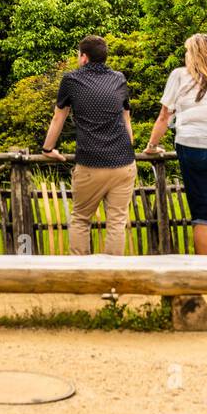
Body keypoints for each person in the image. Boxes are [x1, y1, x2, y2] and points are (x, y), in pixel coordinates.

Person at [142, 34, 207, 256]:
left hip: (195, 146)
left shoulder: (180, 76)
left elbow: (164, 116)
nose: (186, 55)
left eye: (188, 52)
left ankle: (202, 274)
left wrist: (152, 145)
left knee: (201, 214)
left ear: (195, 55)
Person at [42, 35, 136, 256]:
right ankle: (111, 280)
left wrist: (48, 149)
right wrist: (129, 150)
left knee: (81, 219)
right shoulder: (118, 79)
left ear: (84, 57)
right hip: (123, 161)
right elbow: (126, 120)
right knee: (116, 222)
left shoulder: (71, 80)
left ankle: (81, 273)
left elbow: (58, 118)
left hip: (90, 162)